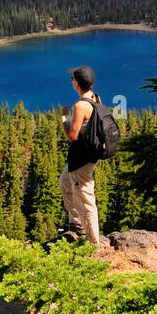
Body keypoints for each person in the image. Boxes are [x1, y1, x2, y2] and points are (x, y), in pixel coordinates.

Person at [59, 65, 102, 246]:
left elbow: (71, 137)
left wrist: (64, 119)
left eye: (72, 79)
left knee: (85, 197)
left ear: (76, 83)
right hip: (88, 155)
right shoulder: (95, 98)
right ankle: (76, 224)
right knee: (65, 182)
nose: (71, 82)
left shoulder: (81, 106)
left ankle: (94, 243)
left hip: (82, 159)